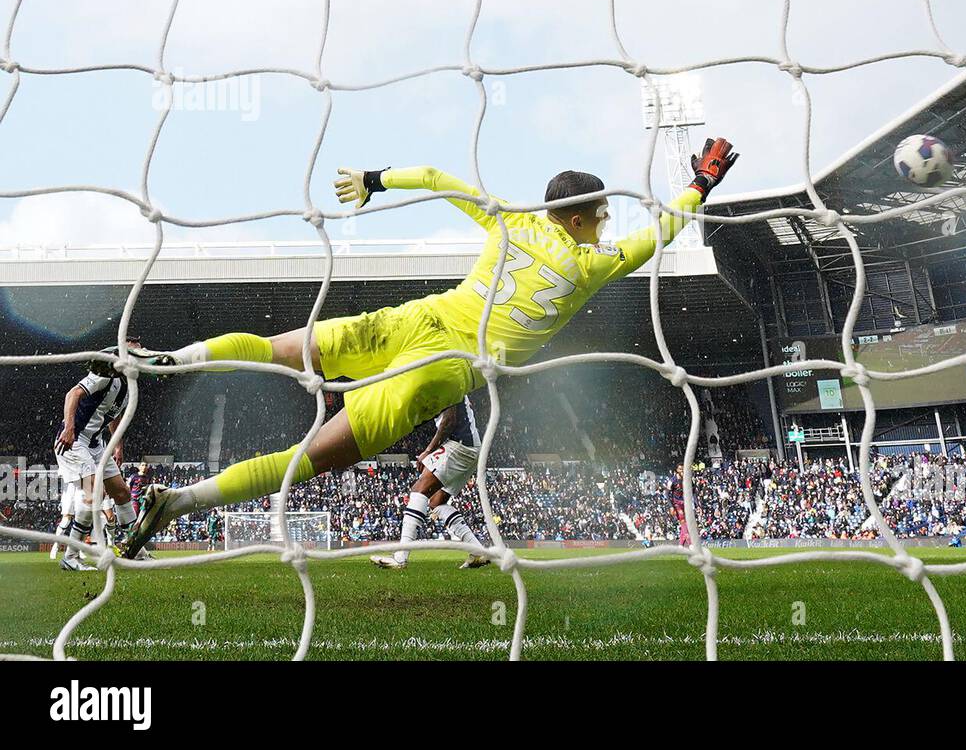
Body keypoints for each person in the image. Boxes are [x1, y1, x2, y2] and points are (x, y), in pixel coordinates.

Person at [122, 139, 738, 558]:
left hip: (412, 320)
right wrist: (700, 184)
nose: (607, 222)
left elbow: (438, 179)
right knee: (306, 459)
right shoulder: (592, 264)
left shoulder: (510, 222)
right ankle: (179, 501)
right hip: (439, 370)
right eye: (601, 214)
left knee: (282, 348)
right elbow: (664, 229)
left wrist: (373, 181)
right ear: (577, 220)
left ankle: (173, 358)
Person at [370, 392, 491, 571]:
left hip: (459, 445)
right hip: (471, 448)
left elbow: (449, 421)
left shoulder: (446, 383)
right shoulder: (451, 381)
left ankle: (400, 557)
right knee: (436, 501)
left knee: (419, 490)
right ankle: (478, 552)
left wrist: (428, 450)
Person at [54, 342, 145, 570]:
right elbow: (72, 394)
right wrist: (69, 428)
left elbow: (113, 415)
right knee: (94, 494)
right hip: (75, 442)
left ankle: (136, 550)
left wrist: (117, 445)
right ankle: (71, 556)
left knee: (122, 493)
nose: (138, 354)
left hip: (97, 445)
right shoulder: (106, 375)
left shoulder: (129, 384)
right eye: (133, 350)